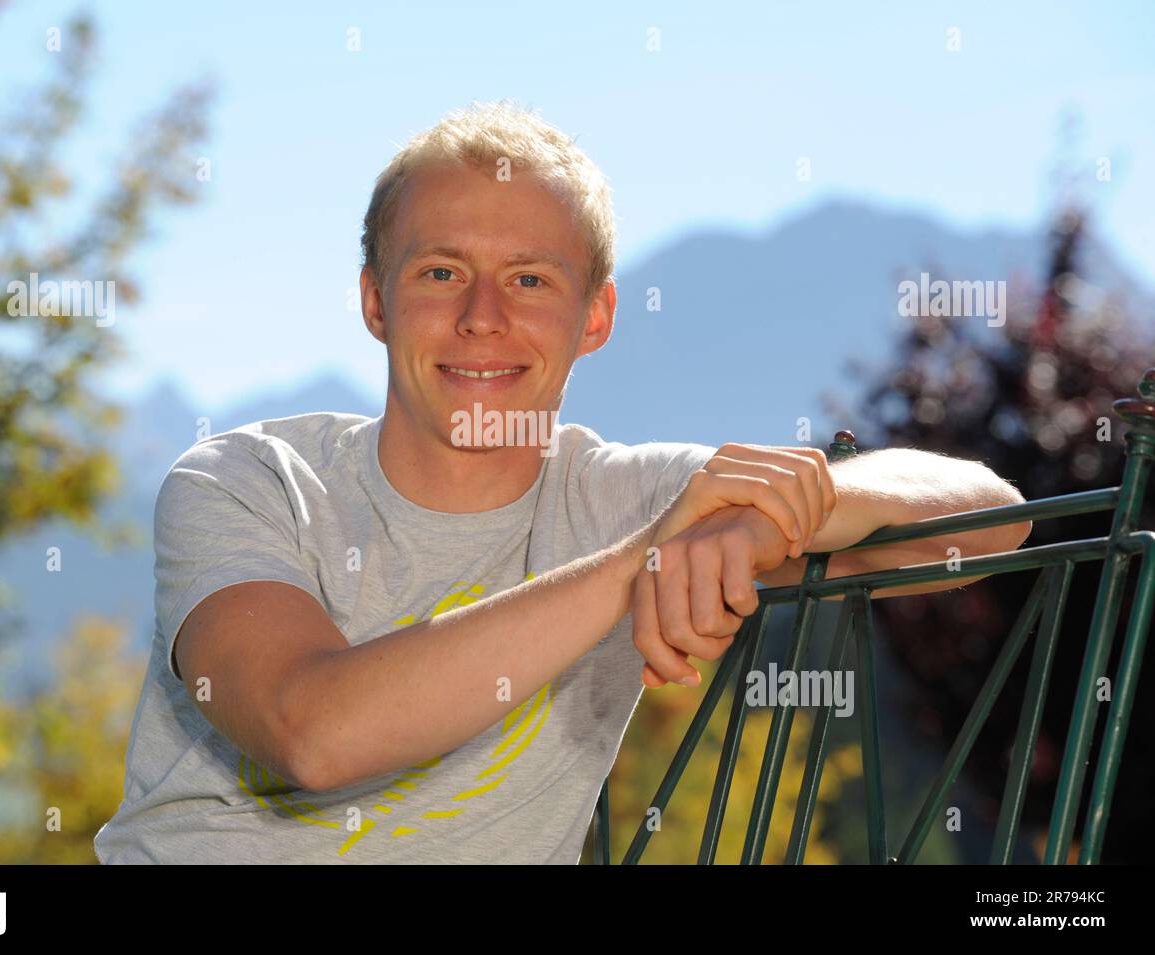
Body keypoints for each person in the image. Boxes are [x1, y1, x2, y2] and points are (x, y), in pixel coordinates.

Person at [94, 100, 1031, 864]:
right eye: (441, 270)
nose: (482, 317)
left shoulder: (623, 497)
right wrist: (642, 564)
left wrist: (757, 524)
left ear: (597, 316)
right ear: (377, 300)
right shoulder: (246, 478)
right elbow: (312, 732)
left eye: (532, 280)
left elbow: (993, 518)